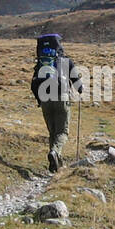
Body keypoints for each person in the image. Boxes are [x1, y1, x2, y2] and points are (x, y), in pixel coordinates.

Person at [30, 34, 84, 172]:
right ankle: (54, 152)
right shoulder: (66, 61)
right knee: (62, 132)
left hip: (45, 99)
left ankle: (55, 164)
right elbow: (78, 83)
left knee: (53, 132)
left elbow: (33, 84)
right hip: (61, 97)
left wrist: (39, 100)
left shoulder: (41, 63)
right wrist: (80, 90)